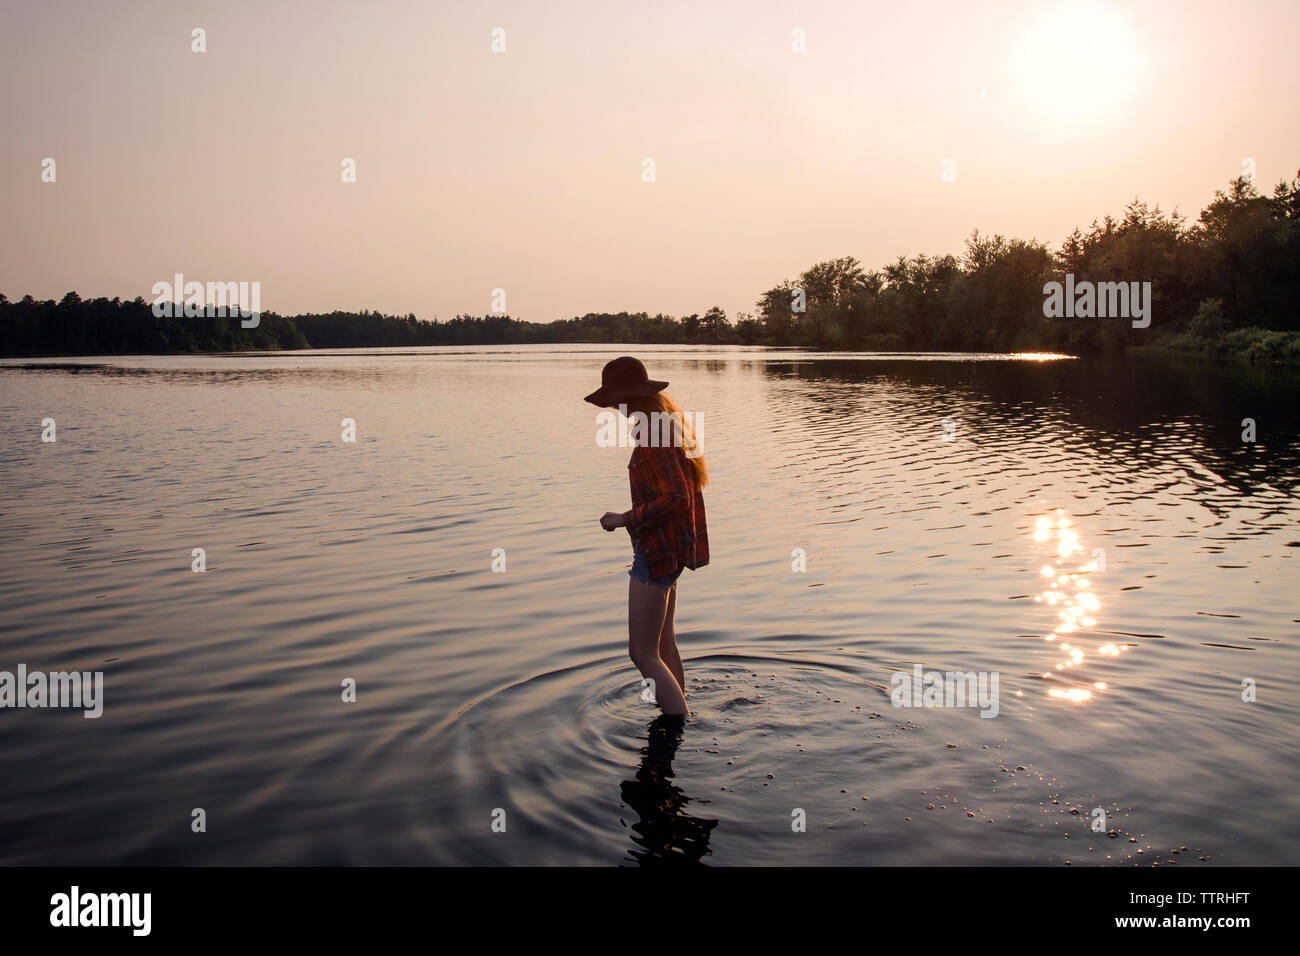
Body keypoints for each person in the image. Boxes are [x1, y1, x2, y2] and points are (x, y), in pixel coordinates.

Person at [585, 357, 709, 716]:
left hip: (657, 554)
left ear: (628, 401)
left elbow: (677, 498)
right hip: (668, 551)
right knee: (663, 644)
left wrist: (624, 518)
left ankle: (676, 723)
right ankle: (681, 717)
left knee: (642, 652)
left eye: (616, 404)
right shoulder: (660, 427)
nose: (616, 411)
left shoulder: (655, 435)